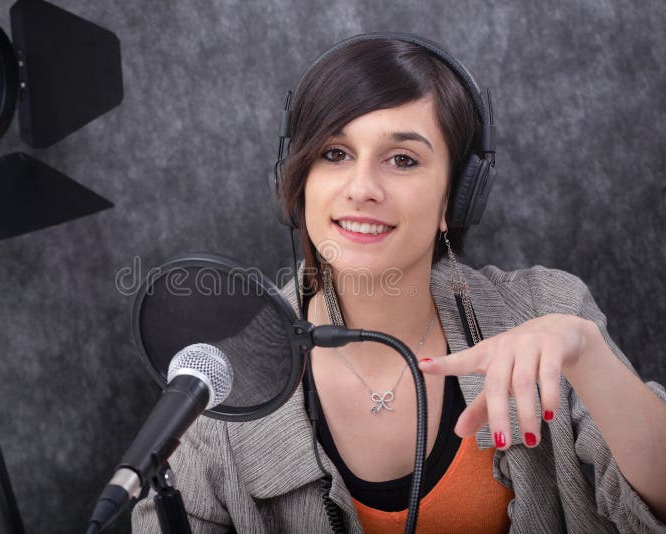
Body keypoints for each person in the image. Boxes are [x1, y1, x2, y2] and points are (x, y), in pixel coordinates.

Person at [131, 34, 666, 533]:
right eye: (335, 154)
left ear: (457, 198)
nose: (362, 187)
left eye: (403, 159)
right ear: (298, 182)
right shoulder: (220, 386)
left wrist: (588, 356)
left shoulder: (548, 310)